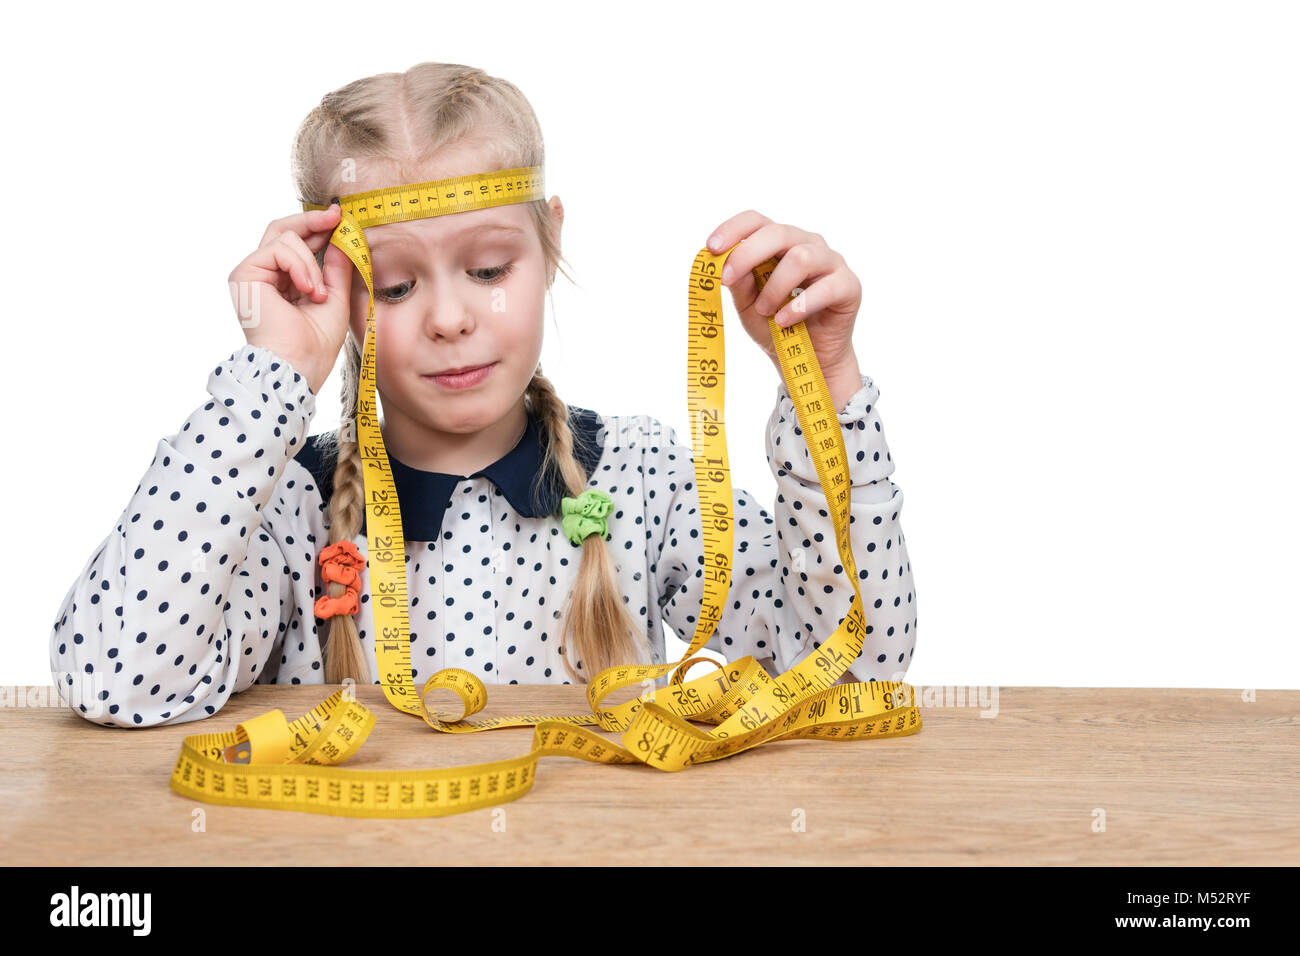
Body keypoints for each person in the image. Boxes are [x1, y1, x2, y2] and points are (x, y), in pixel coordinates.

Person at [48, 62, 916, 728]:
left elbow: (853, 671)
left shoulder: (645, 480)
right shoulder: (283, 507)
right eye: (391, 286)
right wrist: (272, 377)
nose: (450, 318)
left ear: (550, 244)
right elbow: (116, 679)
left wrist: (824, 383)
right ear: (330, 285)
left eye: (489, 268)